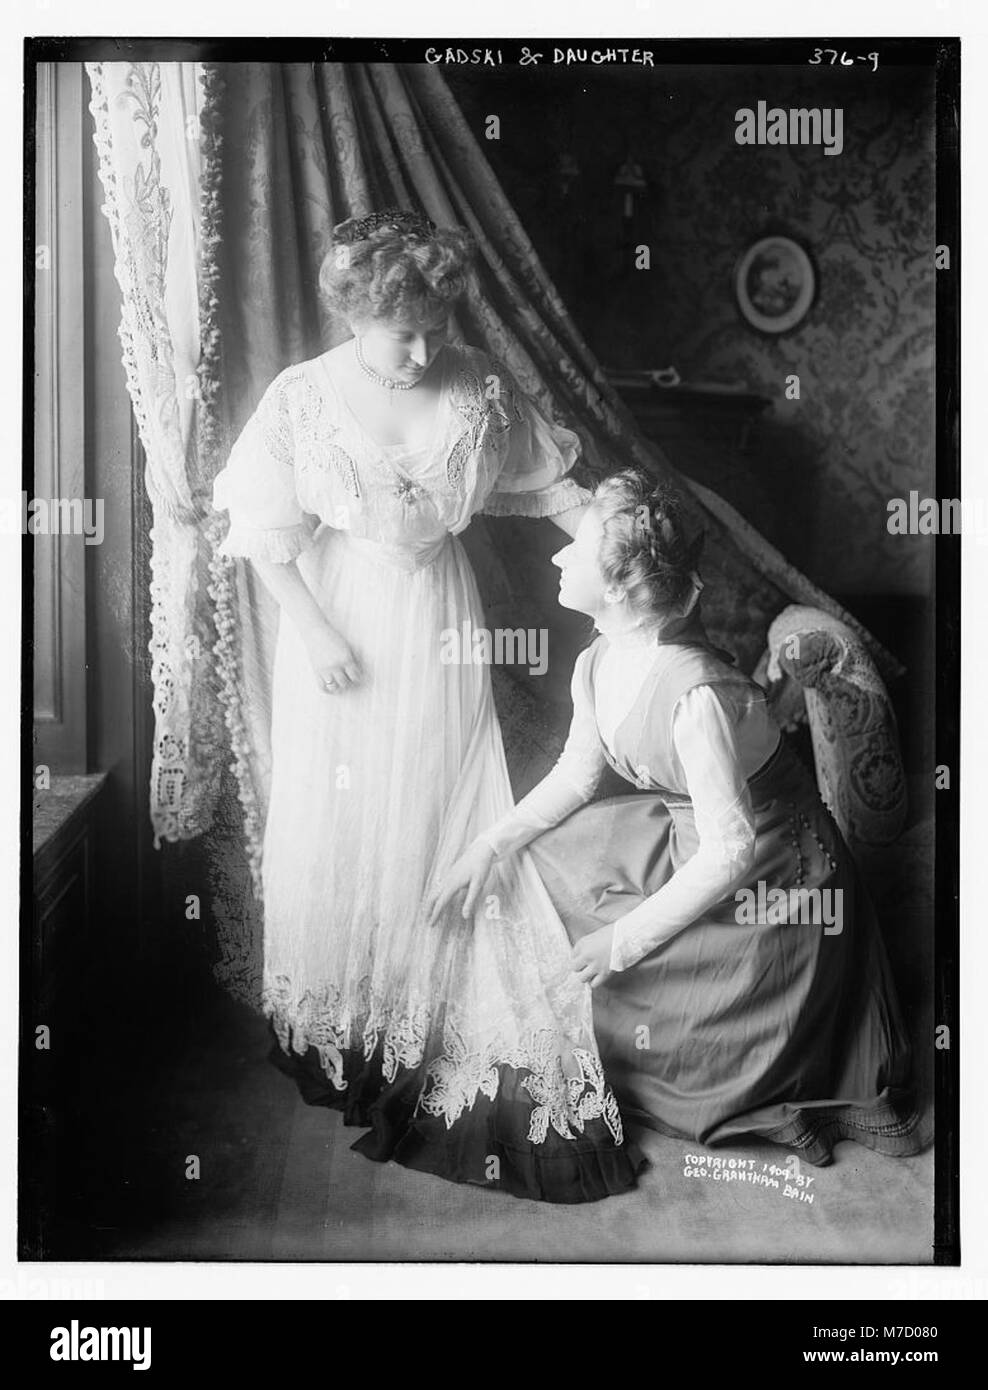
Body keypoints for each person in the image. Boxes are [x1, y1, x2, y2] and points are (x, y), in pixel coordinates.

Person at [211, 208, 643, 1202]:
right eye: (398, 327)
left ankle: (416, 1018)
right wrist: (314, 630)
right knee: (343, 817)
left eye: (434, 327)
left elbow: (550, 486)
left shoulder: (480, 385)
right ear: (357, 310)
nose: (418, 347)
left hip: (439, 624)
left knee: (436, 808)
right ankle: (344, 1031)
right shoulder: (301, 396)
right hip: (337, 618)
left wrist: (617, 547)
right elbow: (262, 530)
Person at [435, 468, 926, 1165]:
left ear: (617, 587)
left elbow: (729, 853)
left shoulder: (697, 698)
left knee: (644, 1004)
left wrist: (623, 942)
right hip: (688, 834)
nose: (556, 556)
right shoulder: (600, 660)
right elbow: (578, 775)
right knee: (536, 868)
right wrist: (489, 845)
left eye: (574, 548)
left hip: (775, 873)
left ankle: (739, 1031)